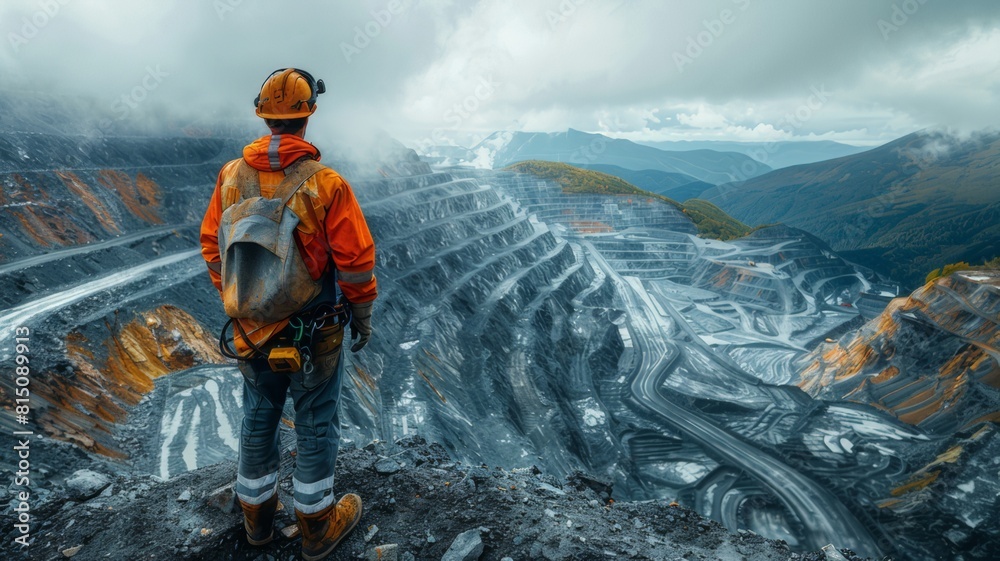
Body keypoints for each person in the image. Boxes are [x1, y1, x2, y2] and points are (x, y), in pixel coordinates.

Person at [199, 67, 377, 561]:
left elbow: (213, 246)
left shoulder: (231, 177)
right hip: (311, 329)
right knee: (316, 420)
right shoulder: (325, 184)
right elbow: (356, 262)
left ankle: (257, 522)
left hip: (251, 330)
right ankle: (317, 524)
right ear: (309, 114)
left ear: (262, 114)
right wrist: (360, 316)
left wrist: (237, 299)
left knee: (259, 415)